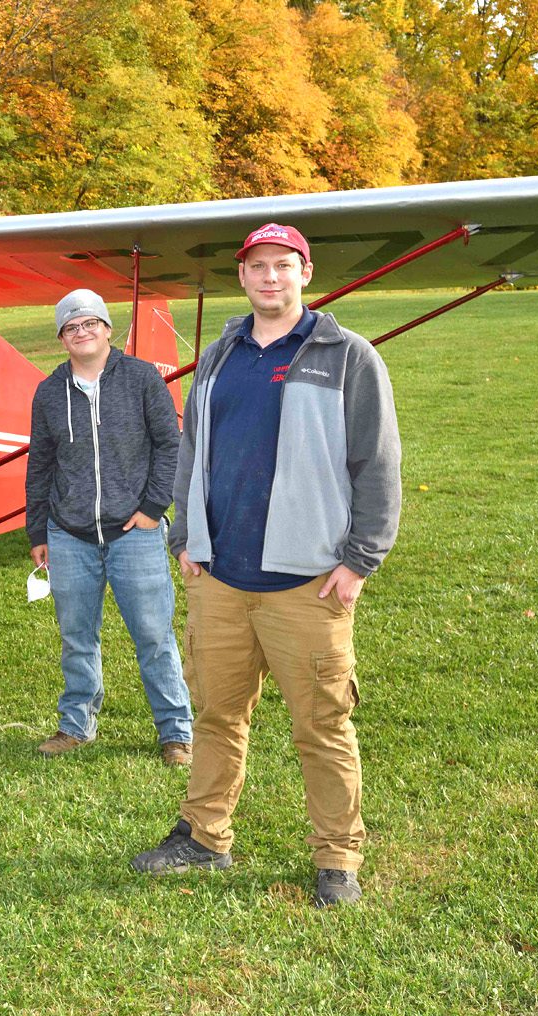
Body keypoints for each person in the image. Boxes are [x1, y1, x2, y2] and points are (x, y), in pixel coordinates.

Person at [129, 223, 402, 908]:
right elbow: (193, 450)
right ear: (242, 275)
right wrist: (186, 536)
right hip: (220, 580)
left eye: (283, 266)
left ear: (305, 272)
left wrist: (360, 559)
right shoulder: (221, 355)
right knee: (217, 716)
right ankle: (205, 835)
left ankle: (338, 860)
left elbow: (378, 465)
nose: (270, 277)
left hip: (307, 584)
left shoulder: (347, 356)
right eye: (258, 267)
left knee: (322, 725)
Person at [25, 289, 193, 765]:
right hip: (69, 533)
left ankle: (176, 732)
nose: (82, 332)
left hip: (134, 534)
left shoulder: (140, 379)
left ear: (107, 328)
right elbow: (40, 464)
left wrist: (152, 507)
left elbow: (170, 445)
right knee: (77, 637)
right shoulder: (49, 392)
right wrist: (38, 531)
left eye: (90, 323)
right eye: (71, 327)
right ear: (62, 338)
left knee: (154, 636)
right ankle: (77, 725)